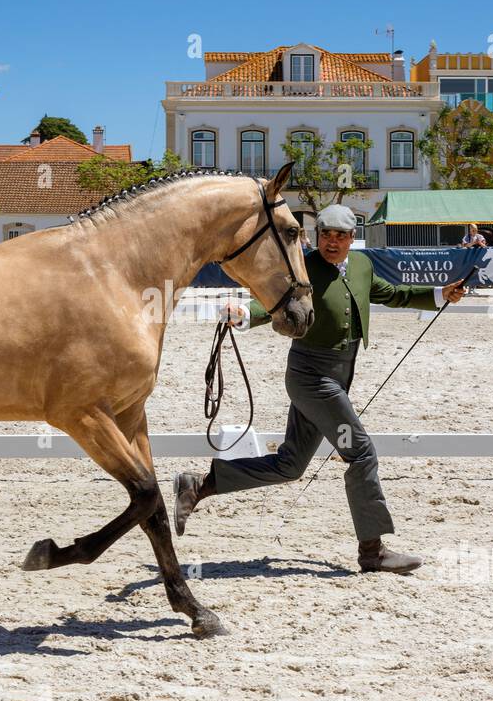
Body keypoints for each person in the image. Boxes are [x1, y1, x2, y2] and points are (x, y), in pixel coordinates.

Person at [170, 203, 469, 575]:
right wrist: (245, 314)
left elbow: (394, 294)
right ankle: (372, 552)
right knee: (360, 454)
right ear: (317, 236)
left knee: (290, 465)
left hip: (338, 377)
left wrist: (440, 293)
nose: (332, 242)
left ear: (352, 238)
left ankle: (198, 485)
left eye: (340, 236)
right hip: (312, 379)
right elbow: (274, 300)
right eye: (326, 234)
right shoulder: (304, 266)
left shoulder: (362, 266)